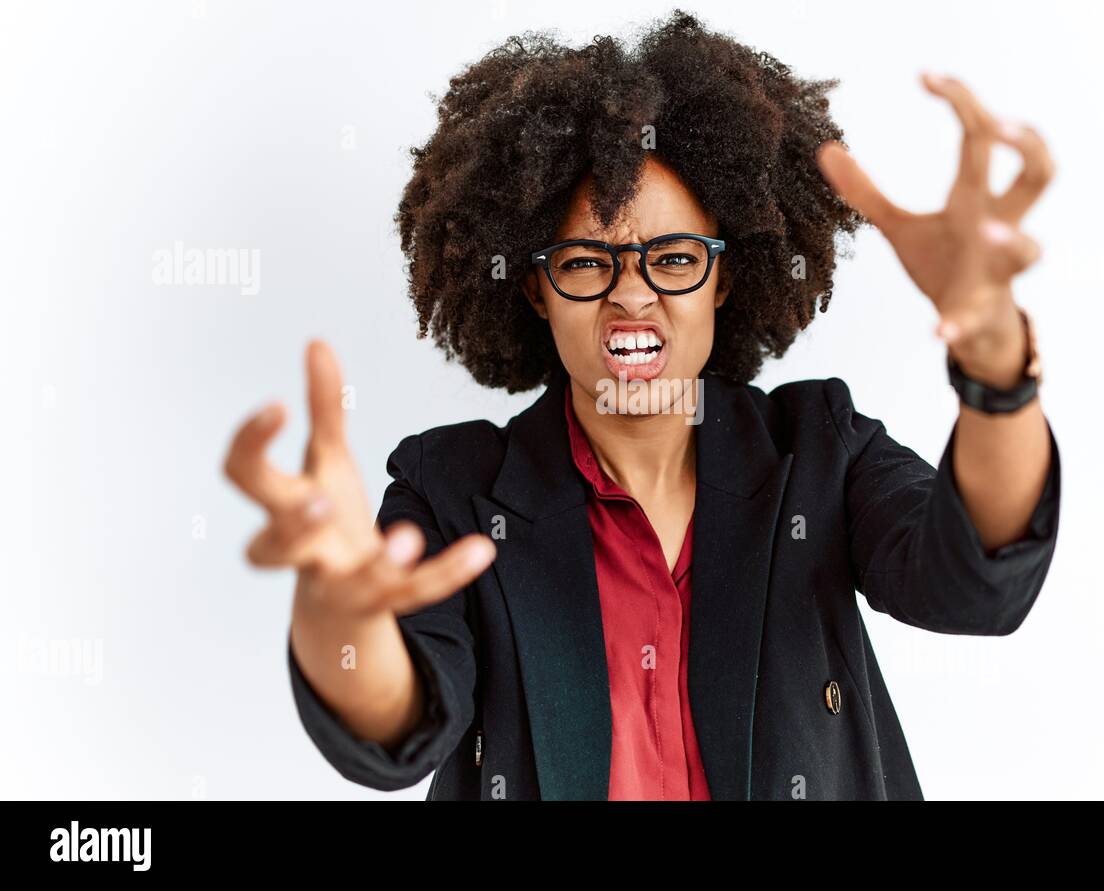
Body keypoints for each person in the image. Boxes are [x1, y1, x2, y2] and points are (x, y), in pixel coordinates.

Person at [223, 11, 1061, 800]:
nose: (632, 296)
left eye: (673, 257)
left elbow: (976, 581)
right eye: (586, 262)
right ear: (536, 290)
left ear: (726, 276)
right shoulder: (450, 490)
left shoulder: (819, 452)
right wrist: (337, 615)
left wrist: (994, 365)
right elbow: (398, 723)